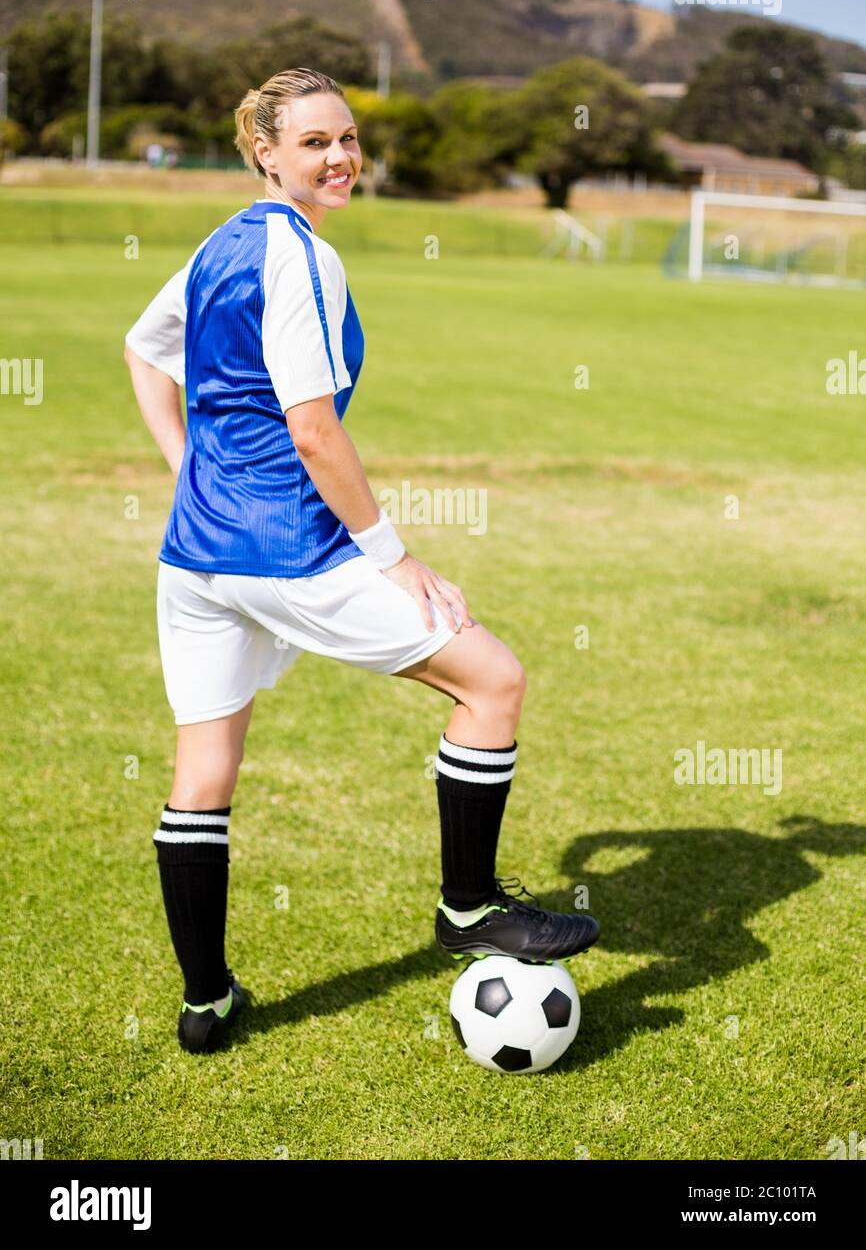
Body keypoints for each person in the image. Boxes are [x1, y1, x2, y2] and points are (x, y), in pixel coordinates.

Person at [123, 66, 599, 1055]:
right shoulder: (298, 256)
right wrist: (392, 555)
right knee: (491, 678)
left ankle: (205, 1000)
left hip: (195, 555)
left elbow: (142, 348)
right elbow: (310, 429)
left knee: (203, 772)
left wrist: (190, 472)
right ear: (265, 151)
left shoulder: (221, 243)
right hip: (288, 548)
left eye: (345, 138)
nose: (339, 157)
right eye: (313, 143)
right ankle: (466, 906)